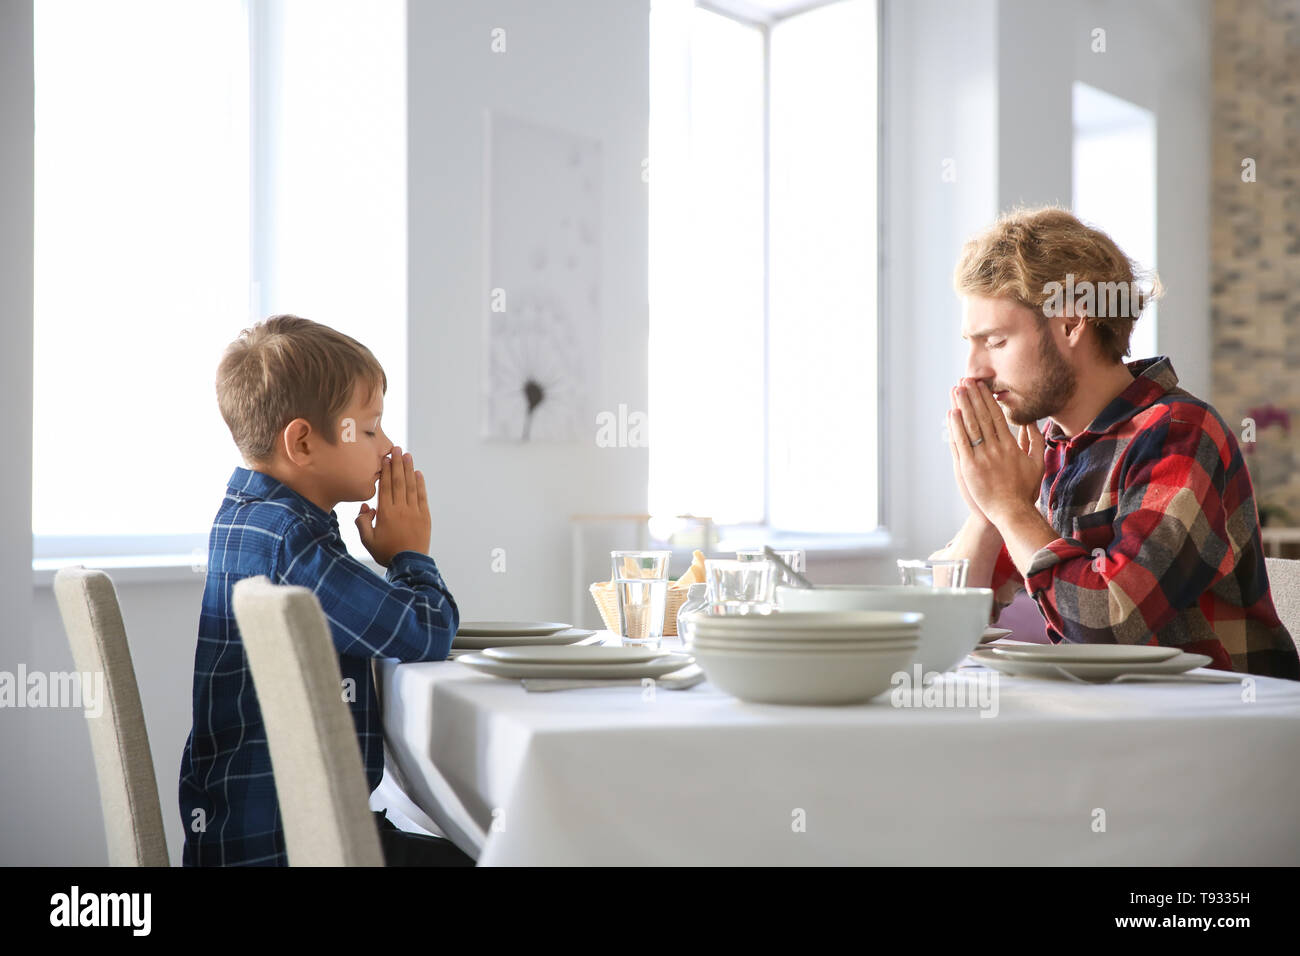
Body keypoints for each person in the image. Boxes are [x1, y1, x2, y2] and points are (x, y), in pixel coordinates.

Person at [931, 207, 1298, 681]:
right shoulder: (1048, 449)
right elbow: (945, 622)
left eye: (996, 341)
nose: (974, 370)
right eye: (971, 343)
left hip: (1223, 729)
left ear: (1070, 325)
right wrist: (988, 508)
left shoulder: (1180, 434)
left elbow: (1108, 623)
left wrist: (1008, 507)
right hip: (1115, 721)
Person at [179, 314, 475, 865]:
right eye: (368, 429)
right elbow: (426, 633)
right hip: (288, 846)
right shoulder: (291, 539)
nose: (387, 446)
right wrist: (410, 553)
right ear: (303, 443)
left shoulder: (250, 519)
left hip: (246, 834)